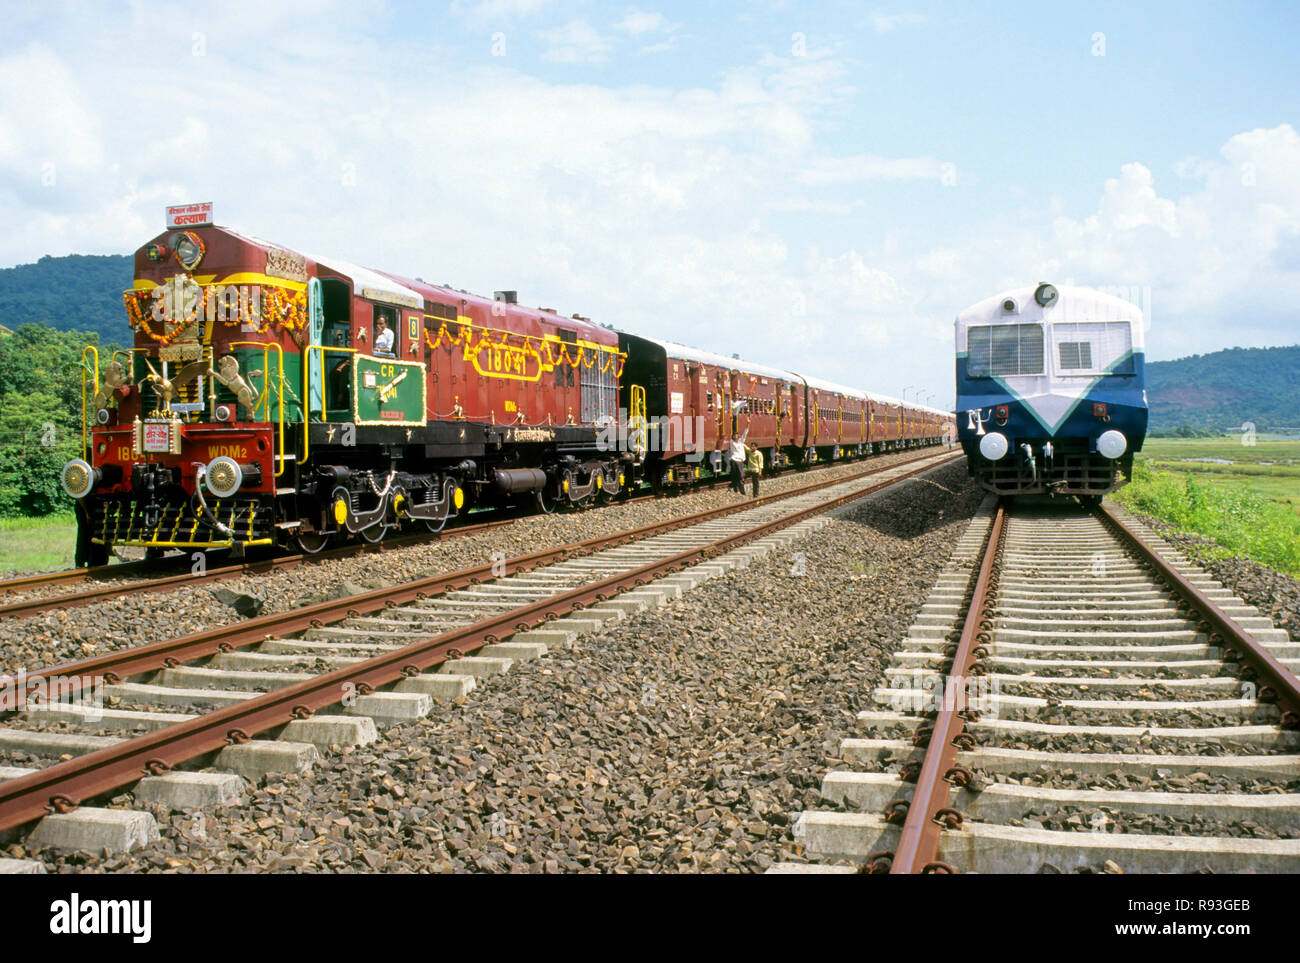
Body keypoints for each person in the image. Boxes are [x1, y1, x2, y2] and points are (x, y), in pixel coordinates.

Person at [727, 424, 749, 493]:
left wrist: (747, 424)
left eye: (737, 435)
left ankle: (732, 486)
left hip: (740, 460)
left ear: (738, 436)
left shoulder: (741, 441)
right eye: (734, 435)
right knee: (736, 475)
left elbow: (745, 433)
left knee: (741, 476)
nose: (735, 436)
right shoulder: (731, 442)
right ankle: (738, 490)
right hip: (734, 460)